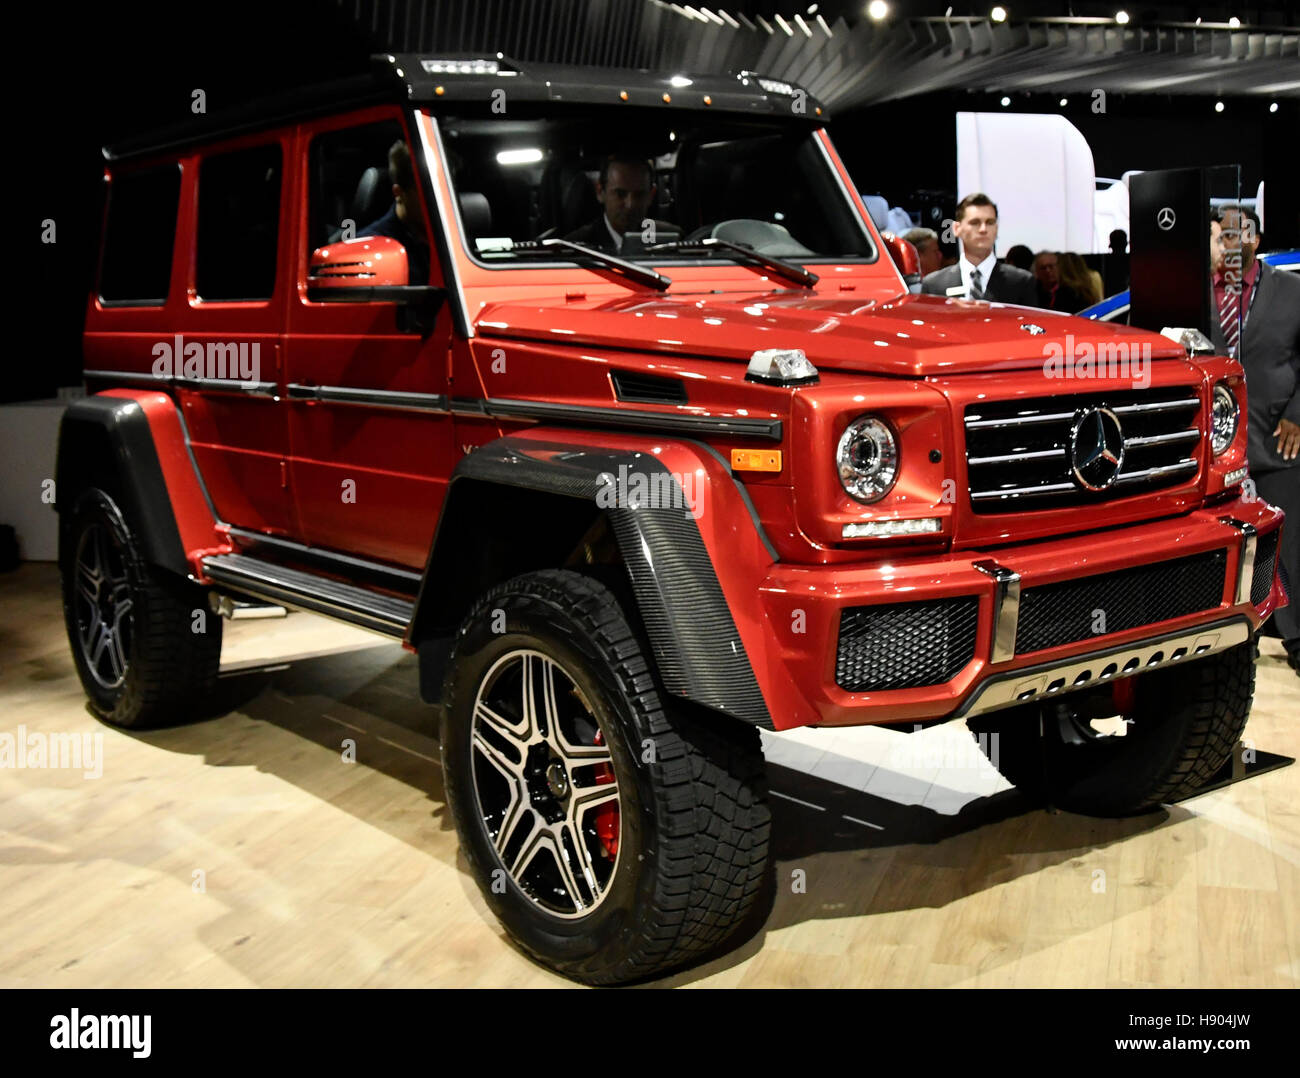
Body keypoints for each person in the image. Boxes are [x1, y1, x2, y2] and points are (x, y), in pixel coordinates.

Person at [1209, 204, 1300, 671]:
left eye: (1238, 231)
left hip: (1276, 440)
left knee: (1291, 543)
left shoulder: (1291, 291)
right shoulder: (1193, 292)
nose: (1229, 238)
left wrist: (1298, 415)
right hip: (1212, 452)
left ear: (1256, 240)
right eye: (1221, 231)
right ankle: (1234, 633)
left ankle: (1297, 637)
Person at [920, 193, 1037, 305]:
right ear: (956, 228)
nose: (983, 229)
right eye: (975, 223)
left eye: (990, 223)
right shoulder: (933, 285)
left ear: (996, 229)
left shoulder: (1021, 282)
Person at [357, 140, 431, 285]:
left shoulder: (461, 240)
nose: (438, 200)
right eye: (427, 193)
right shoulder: (373, 249)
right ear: (399, 193)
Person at [565, 152, 664, 254]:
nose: (630, 205)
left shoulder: (670, 240)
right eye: (620, 194)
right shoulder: (574, 247)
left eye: (639, 195)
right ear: (600, 192)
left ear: (651, 196)